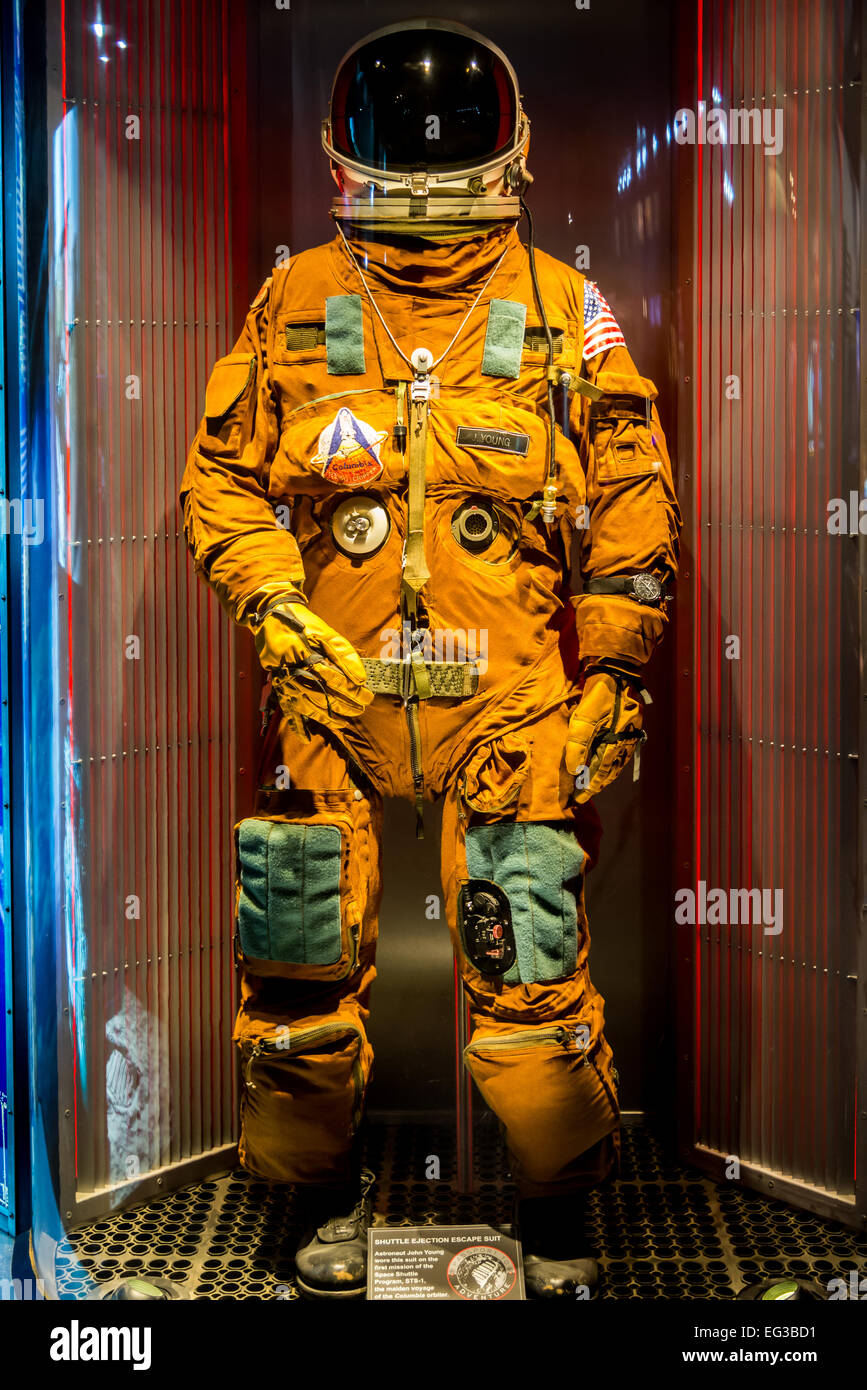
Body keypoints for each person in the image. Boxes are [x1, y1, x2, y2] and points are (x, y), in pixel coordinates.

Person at [179, 18, 681, 1300]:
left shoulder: (565, 311)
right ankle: (315, 1200)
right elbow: (225, 481)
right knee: (298, 962)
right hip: (331, 690)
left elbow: (628, 497)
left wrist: (616, 675)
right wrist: (273, 598)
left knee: (531, 975)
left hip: (509, 697)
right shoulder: (294, 303)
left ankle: (558, 1212)